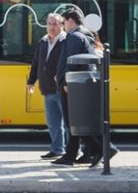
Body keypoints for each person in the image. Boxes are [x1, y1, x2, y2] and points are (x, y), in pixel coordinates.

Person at [52, 9, 117, 168]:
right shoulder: (82, 35)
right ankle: (71, 156)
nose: (62, 26)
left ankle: (106, 148)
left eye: (63, 22)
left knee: (75, 122)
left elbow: (72, 61)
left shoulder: (75, 37)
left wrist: (67, 83)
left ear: (70, 21)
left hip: (74, 85)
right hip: (77, 84)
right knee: (75, 122)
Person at [27, 13, 67, 160]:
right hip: (47, 88)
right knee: (53, 123)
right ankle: (57, 149)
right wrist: (31, 81)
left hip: (62, 88)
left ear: (62, 25)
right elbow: (36, 62)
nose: (52, 27)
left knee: (68, 123)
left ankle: (73, 150)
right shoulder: (43, 41)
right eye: (49, 24)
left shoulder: (65, 41)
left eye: (55, 24)